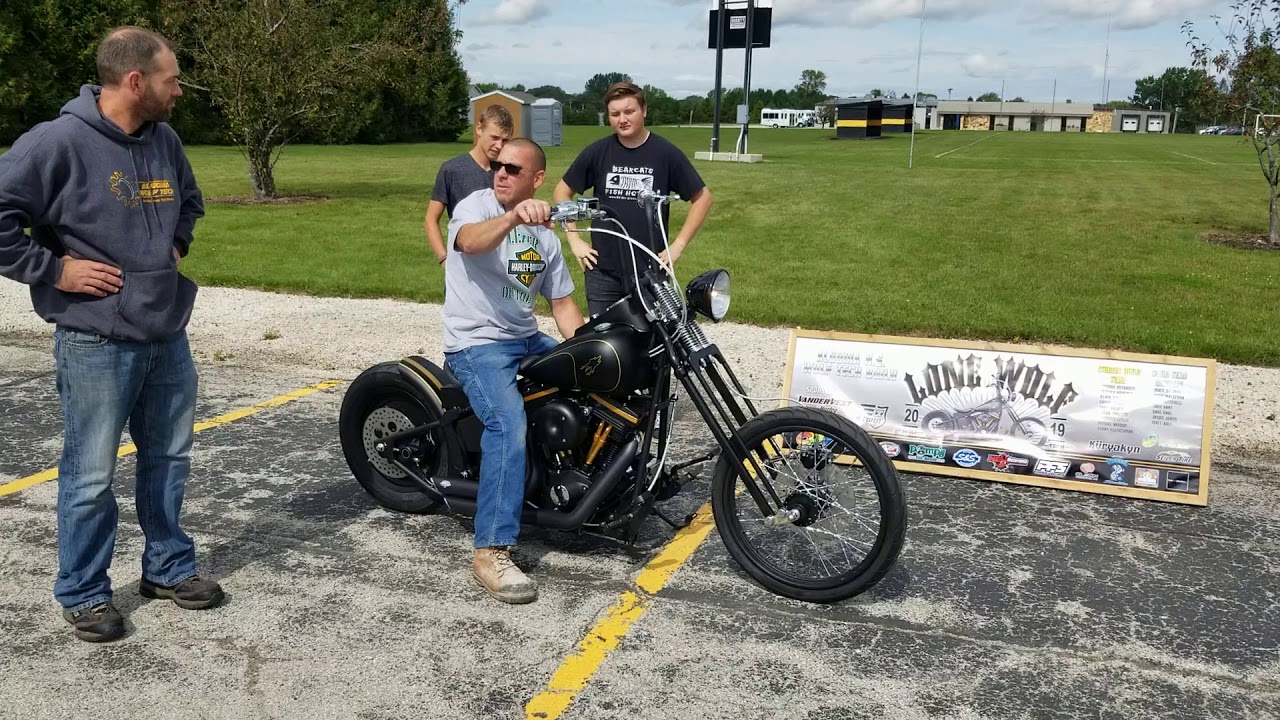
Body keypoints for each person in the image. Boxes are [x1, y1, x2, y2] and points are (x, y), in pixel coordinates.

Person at [0, 26, 223, 643]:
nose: (178, 90)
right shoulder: (58, 142)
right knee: (92, 472)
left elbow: (190, 203)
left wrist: (175, 244)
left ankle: (168, 569)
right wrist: (54, 269)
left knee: (169, 458)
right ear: (135, 81)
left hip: (165, 333)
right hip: (96, 340)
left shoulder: (165, 140)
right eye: (171, 79)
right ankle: (84, 592)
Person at [442, 137, 585, 604]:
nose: (500, 174)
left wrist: (584, 353)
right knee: (508, 424)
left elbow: (562, 304)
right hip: (476, 343)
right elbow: (469, 242)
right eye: (497, 166)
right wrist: (511, 217)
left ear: (537, 179)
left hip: (524, 338)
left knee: (597, 381)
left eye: (512, 169)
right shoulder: (474, 207)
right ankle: (491, 551)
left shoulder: (545, 234)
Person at [553, 81, 714, 316]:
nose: (622, 119)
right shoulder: (598, 152)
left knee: (651, 343)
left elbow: (703, 198)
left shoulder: (665, 153)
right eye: (615, 114)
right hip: (602, 270)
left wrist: (677, 246)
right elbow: (562, 191)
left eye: (629, 111)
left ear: (644, 110)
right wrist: (574, 239)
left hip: (649, 270)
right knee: (608, 344)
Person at [424, 104, 515, 267]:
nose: (499, 146)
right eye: (494, 138)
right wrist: (444, 258)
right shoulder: (452, 170)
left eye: (505, 140)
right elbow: (431, 219)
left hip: (501, 267)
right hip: (463, 265)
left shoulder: (508, 171)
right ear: (479, 129)